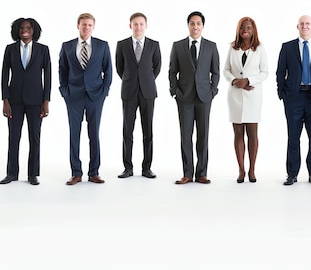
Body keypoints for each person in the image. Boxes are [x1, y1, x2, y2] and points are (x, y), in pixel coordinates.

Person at [276, 15, 311, 186]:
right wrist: (283, 94)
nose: (305, 26)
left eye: (308, 23)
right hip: (294, 97)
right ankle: (292, 174)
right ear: (297, 27)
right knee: (293, 137)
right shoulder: (288, 47)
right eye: (302, 24)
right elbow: (280, 72)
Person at [59, 13, 112, 185]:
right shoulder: (67, 46)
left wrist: (104, 92)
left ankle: (94, 172)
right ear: (78, 26)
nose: (86, 28)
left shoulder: (102, 46)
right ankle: (76, 173)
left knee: (94, 134)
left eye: (90, 25)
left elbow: (108, 70)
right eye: (83, 25)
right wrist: (64, 91)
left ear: (93, 27)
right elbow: (62, 70)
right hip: (73, 96)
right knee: (74, 134)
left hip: (95, 96)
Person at [169, 11, 220, 185]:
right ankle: (187, 173)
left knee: (203, 135)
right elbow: (172, 71)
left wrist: (213, 91)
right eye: (192, 23)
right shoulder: (178, 46)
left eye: (198, 23)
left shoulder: (211, 46)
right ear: (188, 25)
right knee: (185, 135)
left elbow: (216, 71)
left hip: (205, 97)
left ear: (202, 26)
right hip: (184, 97)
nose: (195, 26)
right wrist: (174, 91)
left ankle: (202, 173)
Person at [1, 18, 51, 185]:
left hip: (36, 101)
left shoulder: (43, 50)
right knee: (13, 137)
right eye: (21, 28)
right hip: (14, 101)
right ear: (17, 30)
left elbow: (48, 76)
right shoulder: (10, 49)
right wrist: (5, 100)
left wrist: (46, 100)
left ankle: (32, 174)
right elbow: (4, 75)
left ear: (34, 30)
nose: (25, 30)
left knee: (34, 138)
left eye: (28, 28)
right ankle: (11, 173)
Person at [115, 12, 161, 179]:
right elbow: (120, 67)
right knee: (127, 131)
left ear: (146, 26)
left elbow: (157, 67)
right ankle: (127, 168)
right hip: (129, 91)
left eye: (141, 24)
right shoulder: (122, 45)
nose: (138, 27)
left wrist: (145, 80)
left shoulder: (154, 45)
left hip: (148, 92)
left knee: (148, 130)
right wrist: (132, 80)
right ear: (130, 26)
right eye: (135, 24)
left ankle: (147, 168)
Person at [224, 17, 268, 183]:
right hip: (235, 95)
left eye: (248, 27)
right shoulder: (232, 48)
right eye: (242, 27)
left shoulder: (259, 48)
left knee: (252, 134)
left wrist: (248, 80)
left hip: (253, 96)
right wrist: (235, 81)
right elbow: (226, 70)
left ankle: (252, 170)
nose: (245, 30)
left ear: (253, 29)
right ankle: (241, 170)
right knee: (238, 134)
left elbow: (265, 72)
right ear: (238, 29)